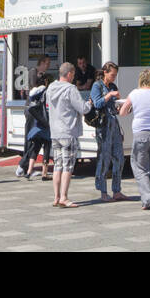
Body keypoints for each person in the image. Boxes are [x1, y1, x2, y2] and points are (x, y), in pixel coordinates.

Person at [118, 69, 150, 209]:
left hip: (141, 133)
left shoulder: (134, 93)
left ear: (140, 79)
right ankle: (149, 197)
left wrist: (132, 108)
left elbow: (122, 112)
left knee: (139, 167)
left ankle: (148, 198)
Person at [44, 62, 92, 208]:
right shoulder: (70, 89)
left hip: (55, 132)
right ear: (70, 74)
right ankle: (64, 197)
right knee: (68, 166)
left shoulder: (51, 88)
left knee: (57, 165)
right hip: (68, 131)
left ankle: (56, 197)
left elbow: (48, 106)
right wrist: (90, 103)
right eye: (73, 74)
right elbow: (83, 108)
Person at [91, 62, 127, 202]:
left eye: (115, 75)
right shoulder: (97, 85)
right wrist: (110, 95)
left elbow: (113, 107)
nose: (114, 77)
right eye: (112, 75)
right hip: (103, 127)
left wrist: (121, 107)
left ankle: (117, 190)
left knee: (119, 157)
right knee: (104, 158)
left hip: (114, 124)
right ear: (105, 72)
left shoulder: (112, 86)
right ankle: (103, 191)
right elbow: (97, 103)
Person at [19, 83, 52, 180]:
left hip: (37, 128)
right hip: (45, 129)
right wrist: (46, 122)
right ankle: (44, 173)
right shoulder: (44, 100)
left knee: (35, 149)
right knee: (46, 148)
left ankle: (29, 172)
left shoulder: (36, 101)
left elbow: (32, 110)